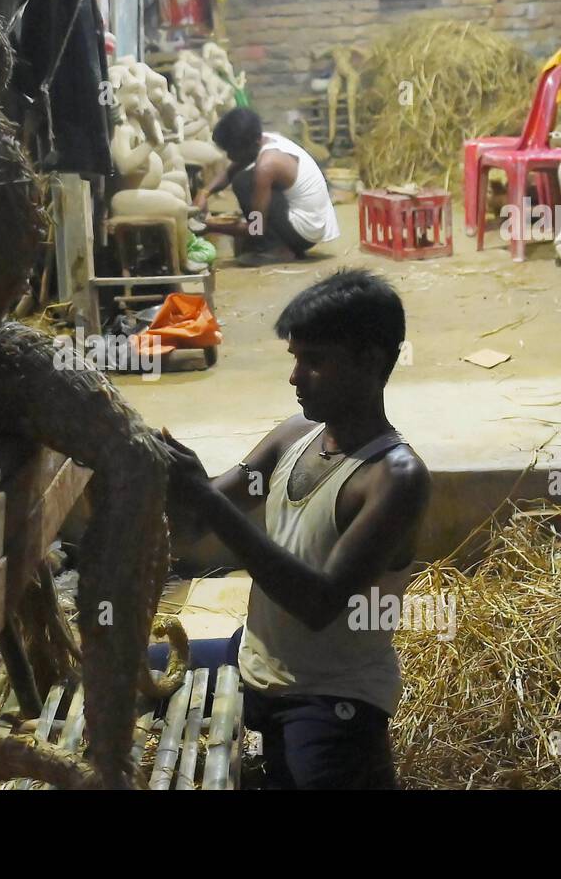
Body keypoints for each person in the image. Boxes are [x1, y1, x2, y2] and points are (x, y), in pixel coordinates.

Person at [157, 269, 430, 788]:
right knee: (126, 671)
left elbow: (319, 603)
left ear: (370, 361)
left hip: (329, 693)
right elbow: (195, 518)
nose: (295, 377)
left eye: (315, 361)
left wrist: (206, 504)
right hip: (252, 657)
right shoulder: (295, 436)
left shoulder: (394, 478)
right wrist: (153, 463)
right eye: (295, 359)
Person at [195, 107, 341, 267]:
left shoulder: (267, 165)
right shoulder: (264, 140)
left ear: (254, 143)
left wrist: (211, 226)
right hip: (312, 223)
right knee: (241, 177)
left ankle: (275, 248)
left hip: (304, 233)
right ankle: (276, 243)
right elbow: (231, 170)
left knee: (243, 182)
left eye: (232, 151)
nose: (229, 157)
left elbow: (256, 228)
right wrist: (204, 192)